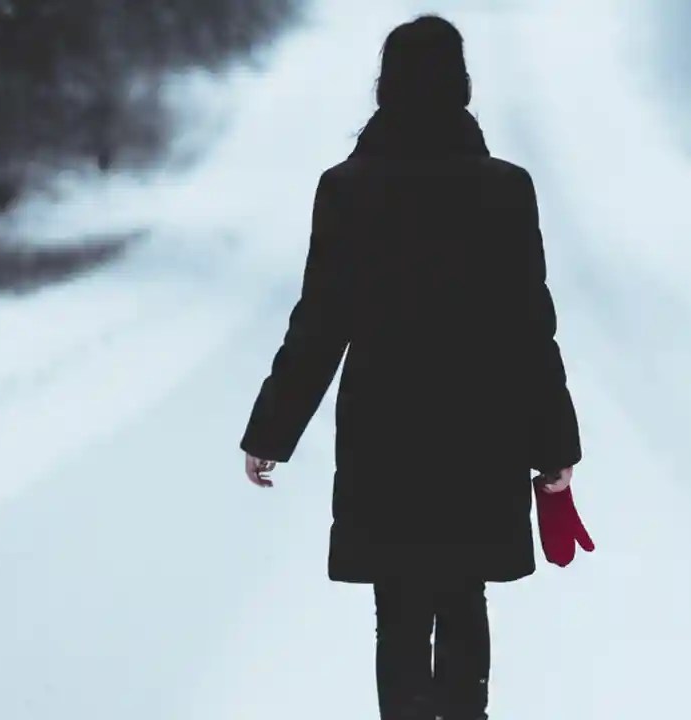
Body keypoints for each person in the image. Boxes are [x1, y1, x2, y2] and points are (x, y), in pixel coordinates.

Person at [240, 14, 581, 720]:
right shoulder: (505, 189)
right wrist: (555, 450)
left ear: (384, 87)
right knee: (463, 597)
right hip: (478, 433)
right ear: (462, 87)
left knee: (396, 607)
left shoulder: (346, 189)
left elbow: (320, 324)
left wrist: (270, 431)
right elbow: (530, 331)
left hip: (383, 434)